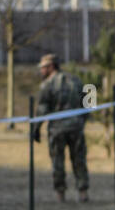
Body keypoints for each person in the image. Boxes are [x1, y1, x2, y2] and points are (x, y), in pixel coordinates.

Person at [33, 53, 88, 202]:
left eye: (43, 68)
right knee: (79, 160)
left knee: (57, 162)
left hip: (57, 129)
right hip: (76, 126)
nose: (41, 71)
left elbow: (42, 109)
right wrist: (82, 120)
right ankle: (83, 192)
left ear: (51, 66)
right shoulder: (75, 80)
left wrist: (36, 129)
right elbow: (89, 99)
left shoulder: (48, 84)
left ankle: (60, 194)